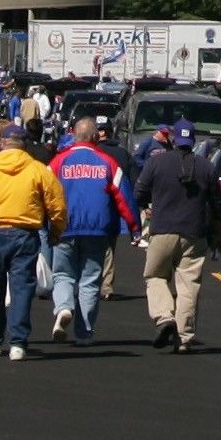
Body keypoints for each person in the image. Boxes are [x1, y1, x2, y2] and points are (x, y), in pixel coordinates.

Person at [0, 124, 67, 361]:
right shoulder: (38, 170)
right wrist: (56, 230)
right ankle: (18, 342)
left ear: (2, 143)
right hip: (25, 233)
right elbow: (57, 204)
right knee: (22, 289)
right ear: (24, 145)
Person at [45, 118, 137, 345]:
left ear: (73, 136)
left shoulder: (58, 162)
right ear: (96, 137)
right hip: (97, 229)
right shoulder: (107, 162)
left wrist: (43, 223)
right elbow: (124, 197)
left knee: (63, 274)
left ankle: (64, 307)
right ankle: (84, 332)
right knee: (90, 280)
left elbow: (43, 192)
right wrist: (134, 227)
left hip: (64, 227)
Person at [134, 125, 220, 352]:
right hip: (194, 234)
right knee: (189, 284)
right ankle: (183, 338)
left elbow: (139, 192)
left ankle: (164, 317)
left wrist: (147, 205)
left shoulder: (156, 162)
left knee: (155, 275)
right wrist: (216, 229)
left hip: (162, 229)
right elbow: (217, 204)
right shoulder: (206, 167)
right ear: (193, 141)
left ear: (173, 140)